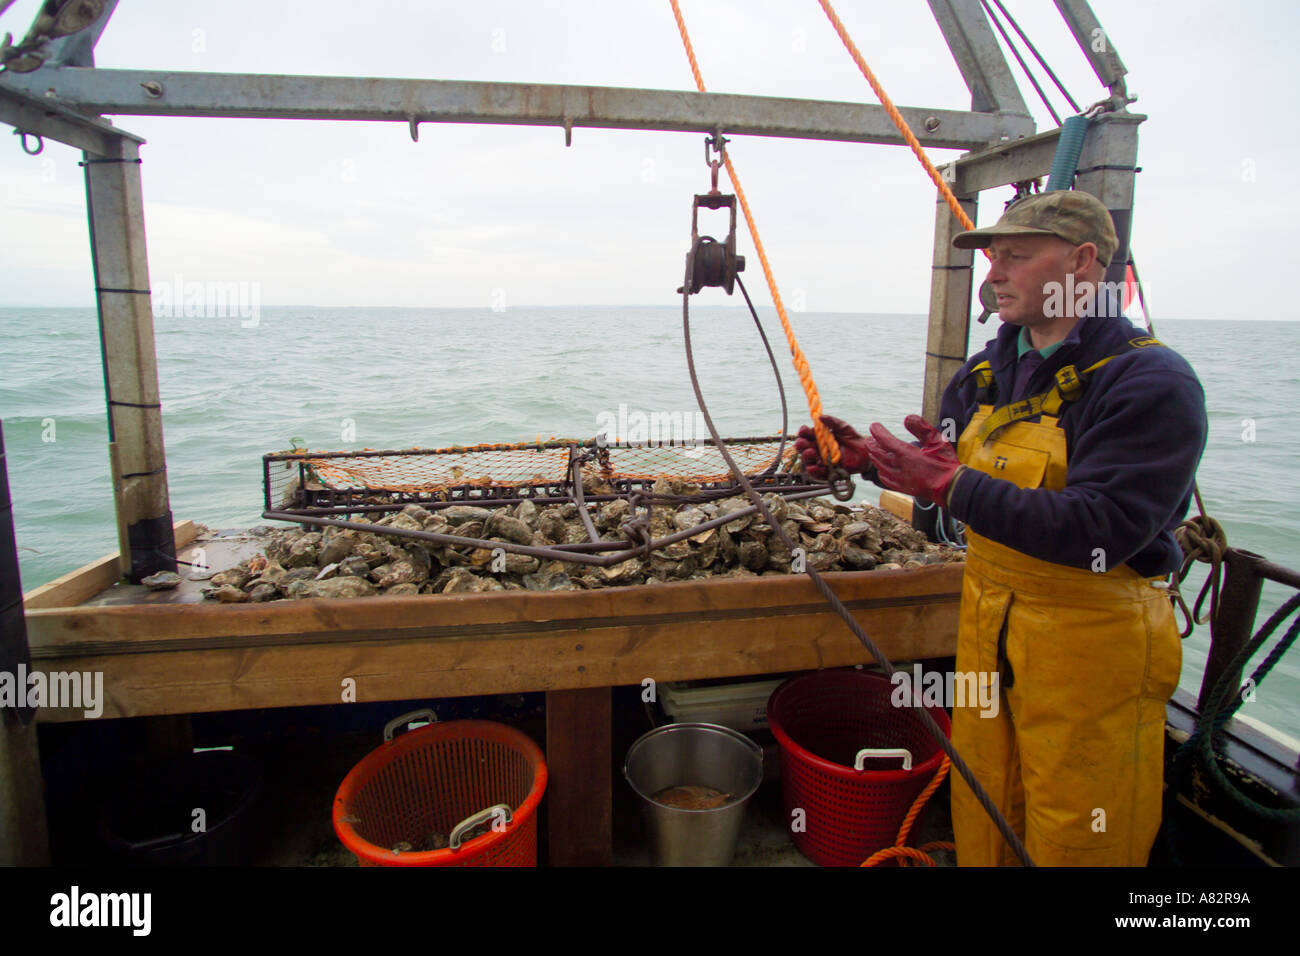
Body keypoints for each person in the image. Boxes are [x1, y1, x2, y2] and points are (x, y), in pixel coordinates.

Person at [795, 189, 1207, 866]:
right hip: (988, 620)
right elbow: (950, 473)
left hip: (1092, 640)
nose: (993, 274)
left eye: (1016, 256)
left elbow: (1104, 530)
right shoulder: (985, 374)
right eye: (992, 258)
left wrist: (951, 484)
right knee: (985, 803)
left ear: (1082, 263)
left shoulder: (1147, 381)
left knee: (1080, 827)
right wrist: (871, 463)